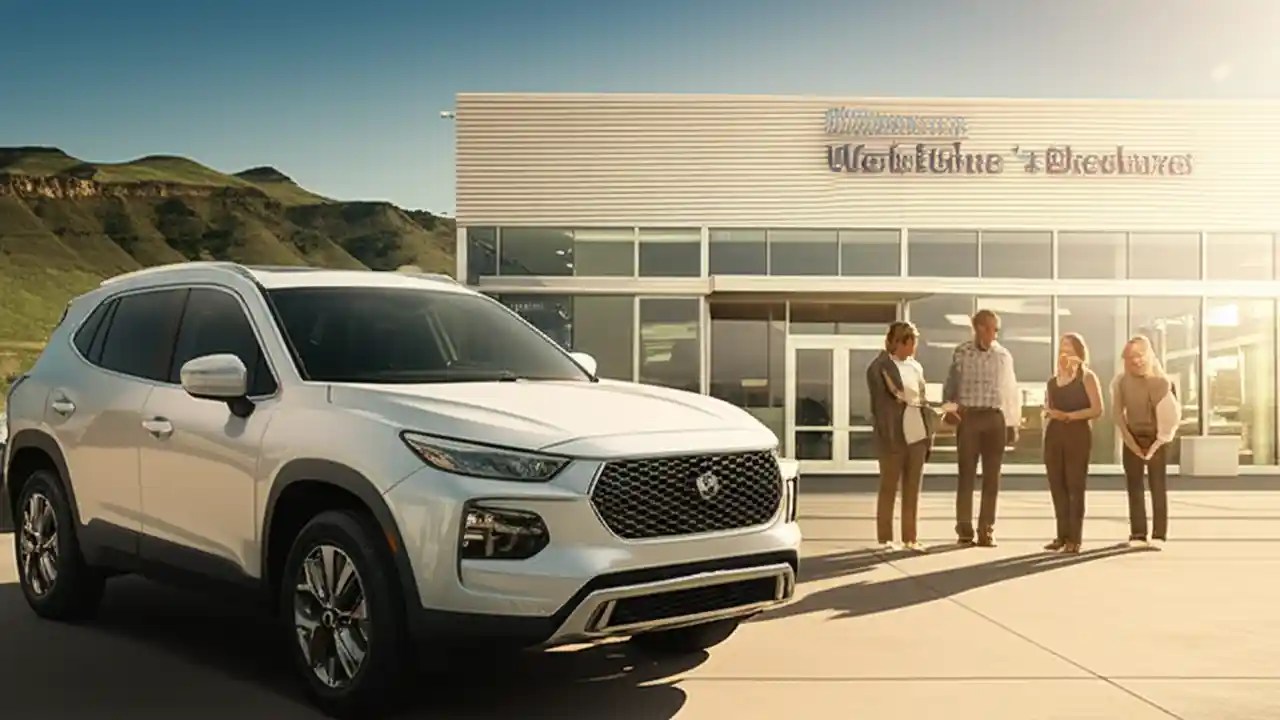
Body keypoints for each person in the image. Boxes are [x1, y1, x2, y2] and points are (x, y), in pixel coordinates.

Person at [942, 309, 1020, 547]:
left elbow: (1010, 390)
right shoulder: (961, 353)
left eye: (996, 329)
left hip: (994, 417)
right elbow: (950, 386)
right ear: (977, 328)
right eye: (989, 328)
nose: (993, 333)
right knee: (966, 474)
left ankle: (986, 529)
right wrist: (950, 410)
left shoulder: (1003, 355)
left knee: (992, 477)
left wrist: (1012, 423)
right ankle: (964, 529)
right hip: (969, 418)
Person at [867, 321, 936, 553]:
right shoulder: (879, 367)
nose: (914, 348)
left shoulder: (916, 367)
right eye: (911, 342)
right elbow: (881, 405)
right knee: (889, 487)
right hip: (893, 435)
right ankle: (885, 539)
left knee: (912, 487)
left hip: (917, 432)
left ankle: (910, 538)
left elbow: (922, 397)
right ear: (899, 342)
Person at [1112, 335, 1181, 549]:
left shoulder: (1162, 382)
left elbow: (1171, 419)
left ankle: (1159, 534)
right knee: (1134, 486)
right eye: (1131, 357)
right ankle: (1138, 534)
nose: (1136, 361)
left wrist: (1153, 447)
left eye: (1140, 355)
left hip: (1158, 439)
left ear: (1148, 355)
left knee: (1157, 485)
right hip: (1132, 437)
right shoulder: (1120, 381)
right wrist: (1130, 442)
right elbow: (1118, 415)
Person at [1042, 333, 1103, 554]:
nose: (1065, 352)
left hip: (1077, 434)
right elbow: (1049, 407)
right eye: (1062, 348)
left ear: (1080, 352)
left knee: (1075, 486)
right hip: (1054, 435)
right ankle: (1061, 535)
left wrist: (1069, 416)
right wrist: (1050, 414)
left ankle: (1074, 538)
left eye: (1069, 348)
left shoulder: (1087, 378)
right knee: (1057, 486)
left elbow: (1097, 409)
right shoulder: (1052, 381)